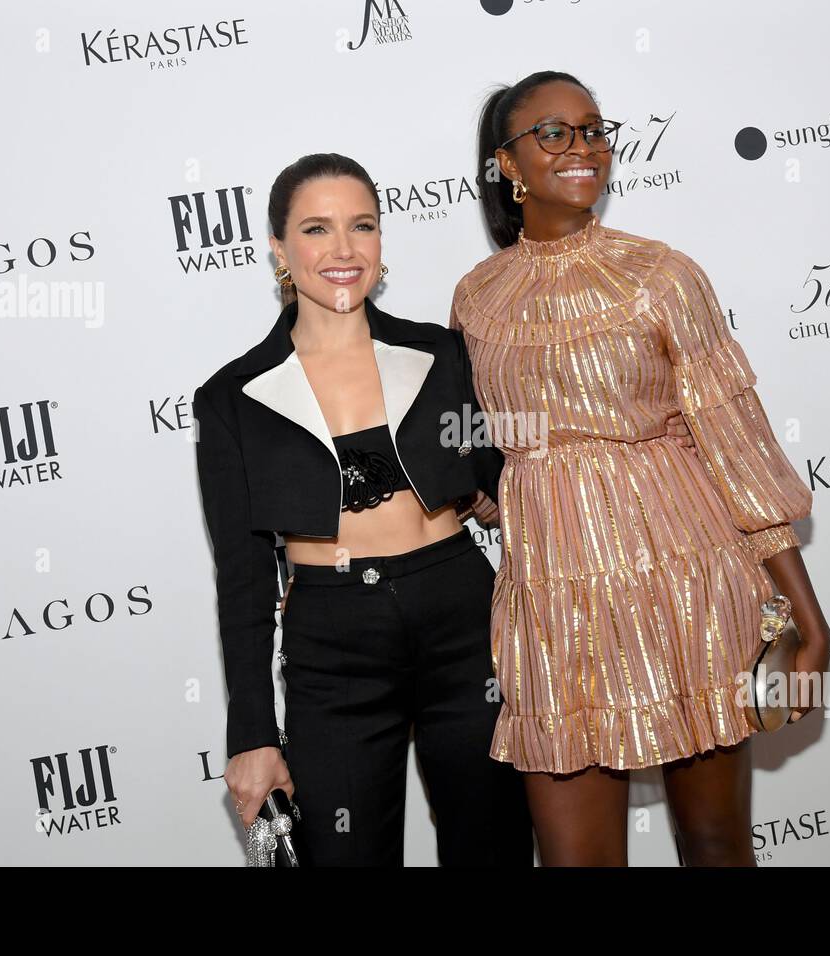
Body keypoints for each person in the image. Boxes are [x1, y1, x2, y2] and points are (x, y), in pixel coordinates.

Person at [193, 151, 693, 866]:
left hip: (461, 615)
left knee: (491, 848)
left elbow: (515, 490)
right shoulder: (232, 398)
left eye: (361, 226)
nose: (342, 250)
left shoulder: (439, 354)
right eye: (316, 229)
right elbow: (242, 582)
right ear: (277, 246)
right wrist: (252, 735)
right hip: (330, 642)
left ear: (380, 241)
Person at [450, 72, 830, 866]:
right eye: (553, 133)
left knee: (716, 844)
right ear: (507, 166)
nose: (583, 146)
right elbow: (494, 438)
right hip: (554, 601)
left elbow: (737, 449)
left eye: (593, 129)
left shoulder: (662, 274)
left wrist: (808, 618)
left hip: (685, 584)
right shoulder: (476, 298)